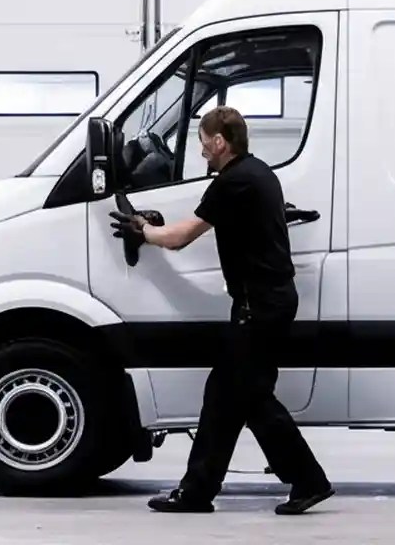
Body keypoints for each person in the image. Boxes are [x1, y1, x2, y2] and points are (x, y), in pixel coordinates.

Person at [110, 106, 334, 516]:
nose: (201, 153)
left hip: (258, 307)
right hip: (271, 301)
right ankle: (199, 490)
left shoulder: (232, 182)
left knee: (248, 397)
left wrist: (141, 230)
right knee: (228, 396)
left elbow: (180, 237)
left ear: (219, 141)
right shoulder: (261, 173)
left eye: (203, 143)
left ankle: (307, 479)